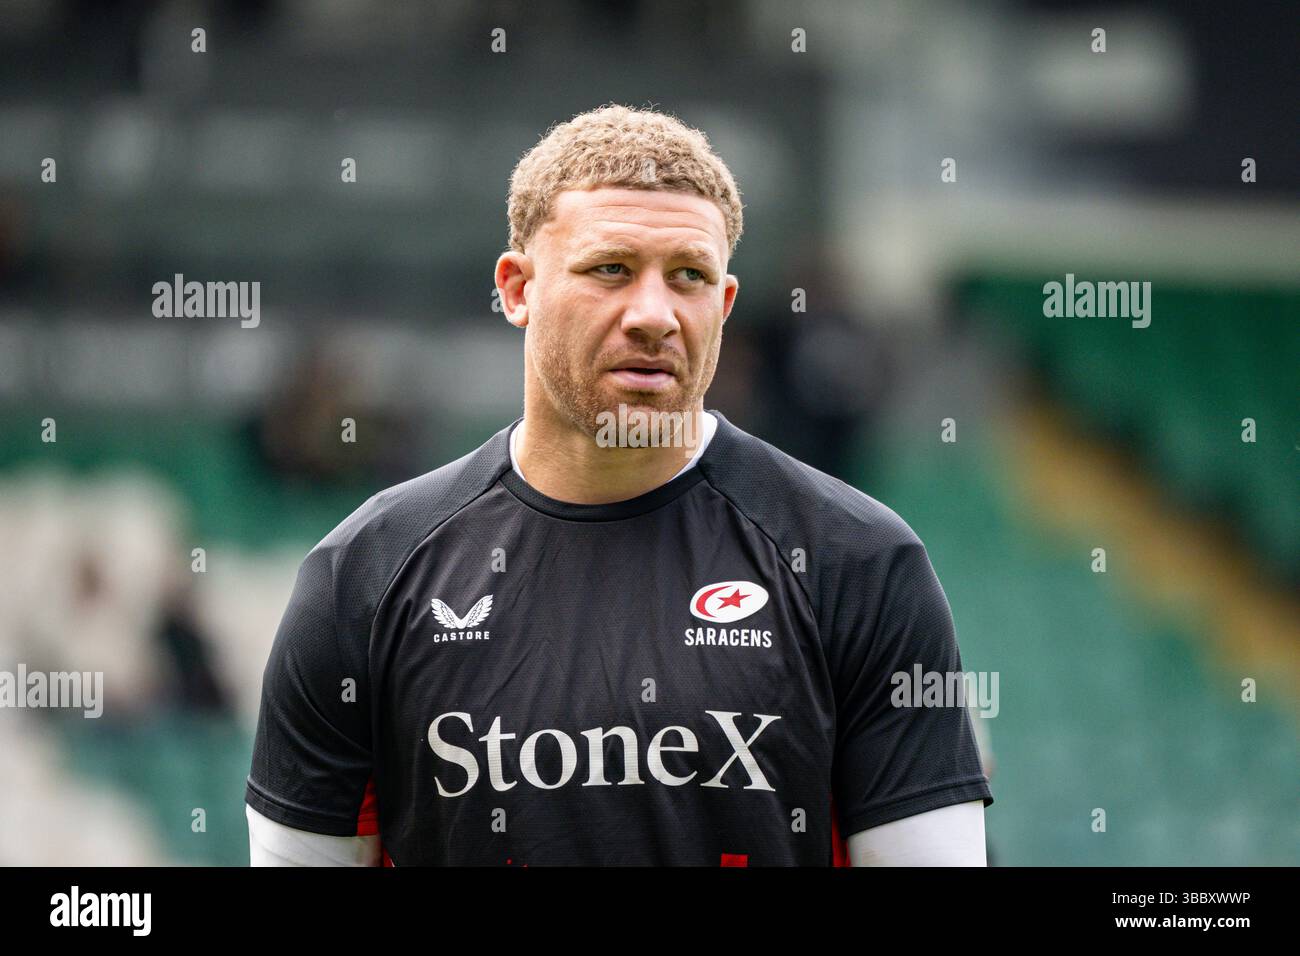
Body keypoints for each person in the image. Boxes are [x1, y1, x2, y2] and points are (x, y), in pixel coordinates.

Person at [245, 104, 992, 866]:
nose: (654, 315)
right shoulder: (363, 576)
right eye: (610, 269)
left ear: (724, 307)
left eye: (689, 277)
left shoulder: (859, 563)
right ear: (517, 288)